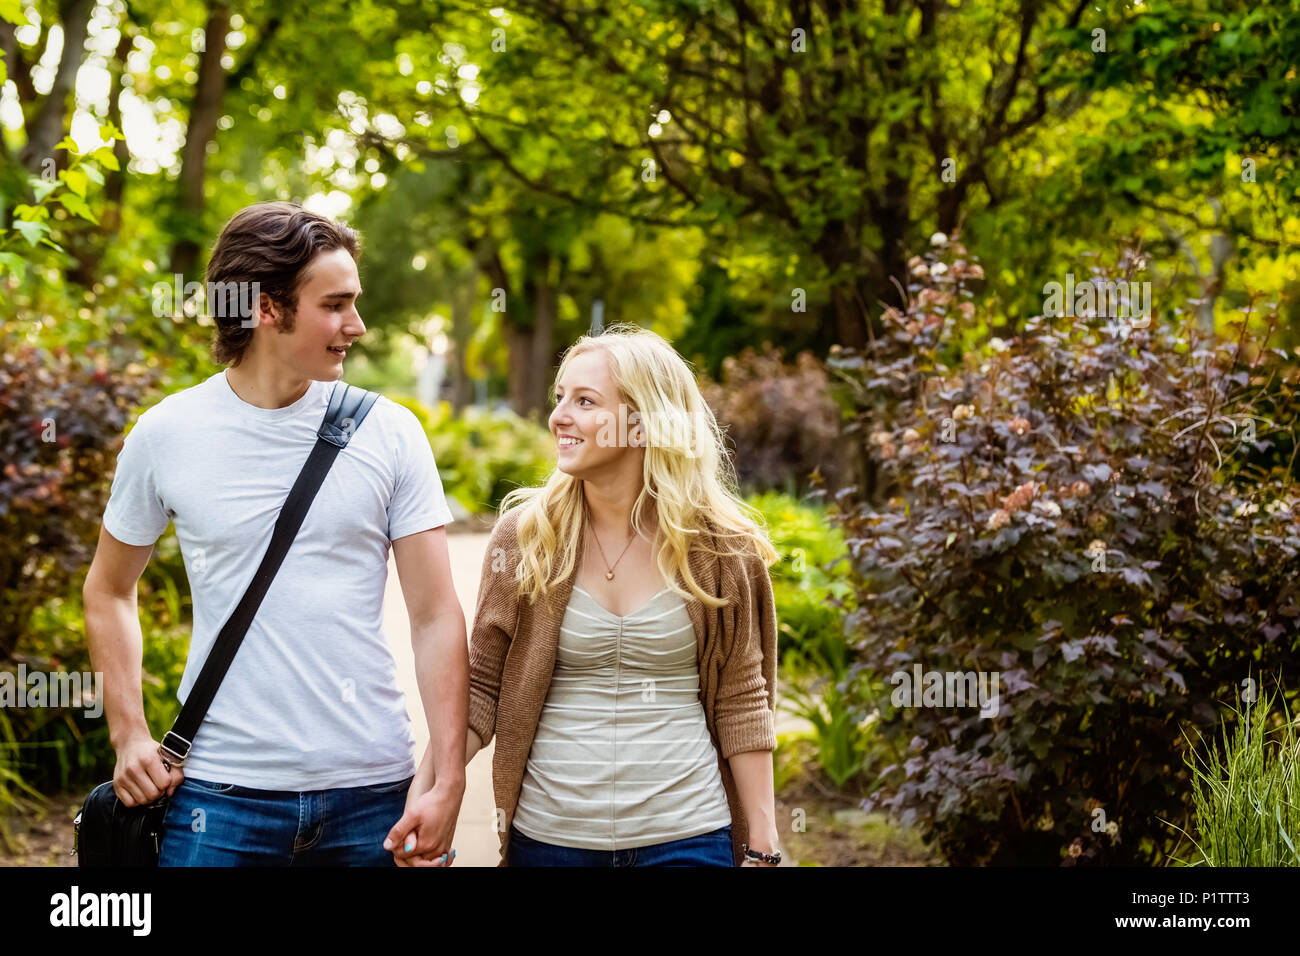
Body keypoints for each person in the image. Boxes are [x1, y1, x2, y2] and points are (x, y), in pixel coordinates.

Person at [82, 201, 467, 866]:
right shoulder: (168, 434)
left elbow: (435, 616)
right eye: (335, 305)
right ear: (264, 308)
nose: (357, 325)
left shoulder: (391, 432)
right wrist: (129, 734)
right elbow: (109, 590)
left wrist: (448, 777)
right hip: (220, 798)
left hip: (372, 794)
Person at [406, 323, 783, 866]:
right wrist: (433, 789)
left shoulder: (721, 549)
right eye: (560, 398)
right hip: (551, 840)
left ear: (643, 421)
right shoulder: (527, 538)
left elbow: (742, 698)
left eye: (585, 401)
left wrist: (764, 845)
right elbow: (482, 686)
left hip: (688, 835)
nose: (560, 416)